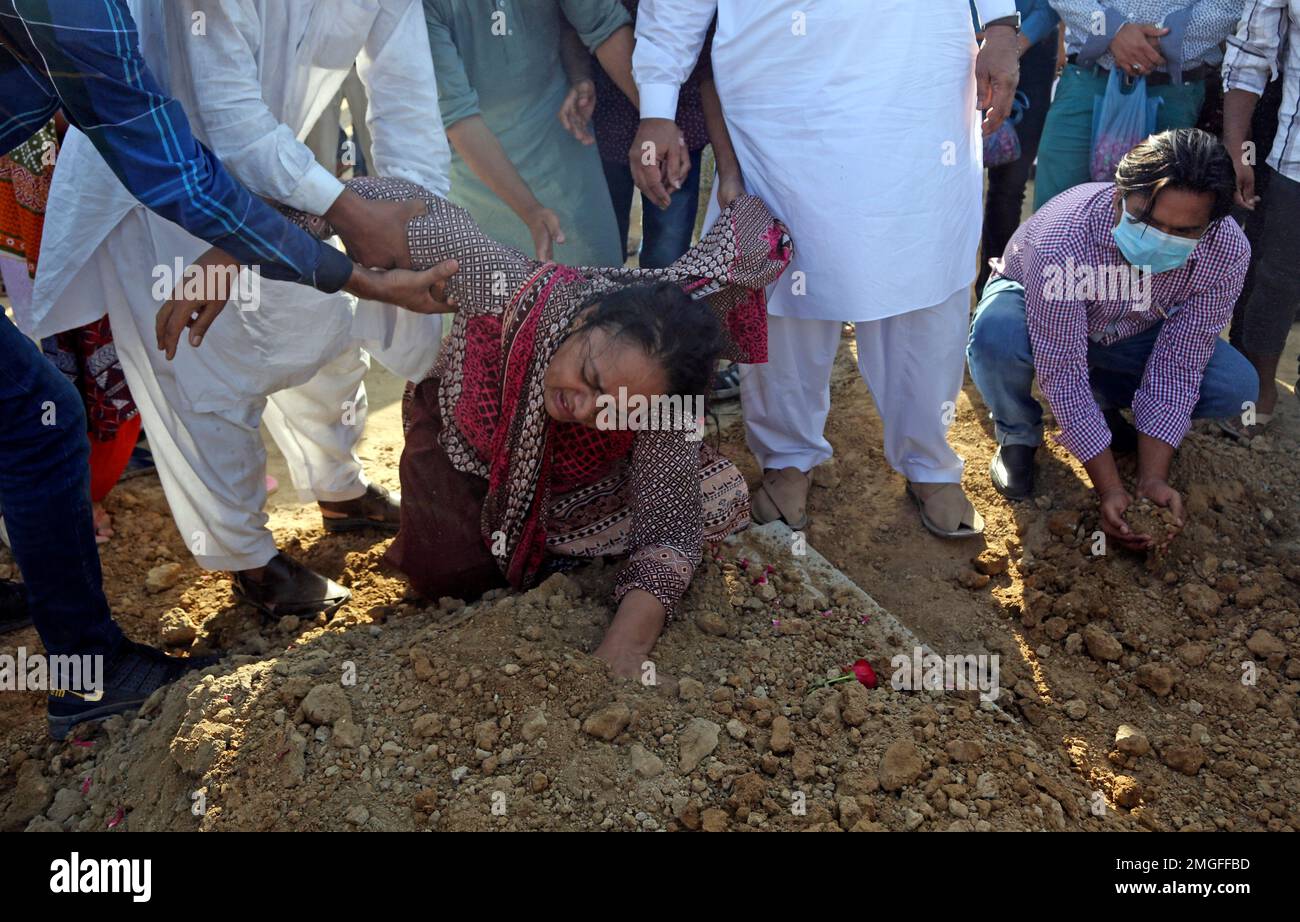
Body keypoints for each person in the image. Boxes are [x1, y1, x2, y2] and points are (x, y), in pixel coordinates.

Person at [0, 0, 447, 739]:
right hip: (159, 189)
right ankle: (248, 557)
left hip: (291, 185)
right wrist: (341, 223)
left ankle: (337, 488)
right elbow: (223, 130)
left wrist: (405, 214)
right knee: (201, 374)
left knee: (325, 334)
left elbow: (409, 110)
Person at [166, 176, 793, 679]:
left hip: (579, 490)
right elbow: (365, 200)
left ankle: (556, 549)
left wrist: (625, 646)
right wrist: (231, 253)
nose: (587, 407)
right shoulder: (502, 283)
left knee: (711, 496)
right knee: (447, 579)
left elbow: (669, 533)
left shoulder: (660, 400)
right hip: (463, 455)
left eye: (616, 409)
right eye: (589, 377)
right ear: (585, 318)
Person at [629, 0, 1024, 539]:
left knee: (922, 279)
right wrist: (656, 104)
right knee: (784, 285)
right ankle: (786, 456)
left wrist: (1001, 24)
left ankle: (928, 460)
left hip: (918, 97)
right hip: (780, 109)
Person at [966, 129, 1257, 548]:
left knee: (1234, 385)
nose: (1161, 239)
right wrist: (1109, 489)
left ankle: (1103, 403)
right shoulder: (1066, 239)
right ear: (1119, 194)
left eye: (1184, 232)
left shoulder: (1226, 251)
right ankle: (1018, 433)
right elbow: (1062, 368)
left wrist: (1150, 481)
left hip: (1131, 329)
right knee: (998, 335)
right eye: (1148, 221)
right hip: (1034, 307)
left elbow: (1180, 364)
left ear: (1211, 225)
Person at [422, 0, 636, 265]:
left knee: (599, 283)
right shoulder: (418, 7)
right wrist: (530, 210)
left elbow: (600, 22)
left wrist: (656, 118)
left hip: (564, 147)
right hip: (477, 176)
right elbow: (458, 116)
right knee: (505, 298)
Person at [1033, 0, 1246, 208]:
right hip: (1088, 79)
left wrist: (1164, 38)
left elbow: (1230, 5)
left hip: (1174, 90)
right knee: (1055, 206)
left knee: (1154, 212)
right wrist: (1113, 31)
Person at [1220, 0, 1300, 438]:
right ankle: (1261, 390)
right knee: (1277, 276)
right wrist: (1238, 149)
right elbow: (1251, 52)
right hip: (1295, 157)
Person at [974, 0, 1062, 290]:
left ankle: (994, 289)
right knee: (950, 178)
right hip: (962, 48)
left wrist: (1011, 44)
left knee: (1009, 186)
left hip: (1033, 54)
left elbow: (1052, 6)